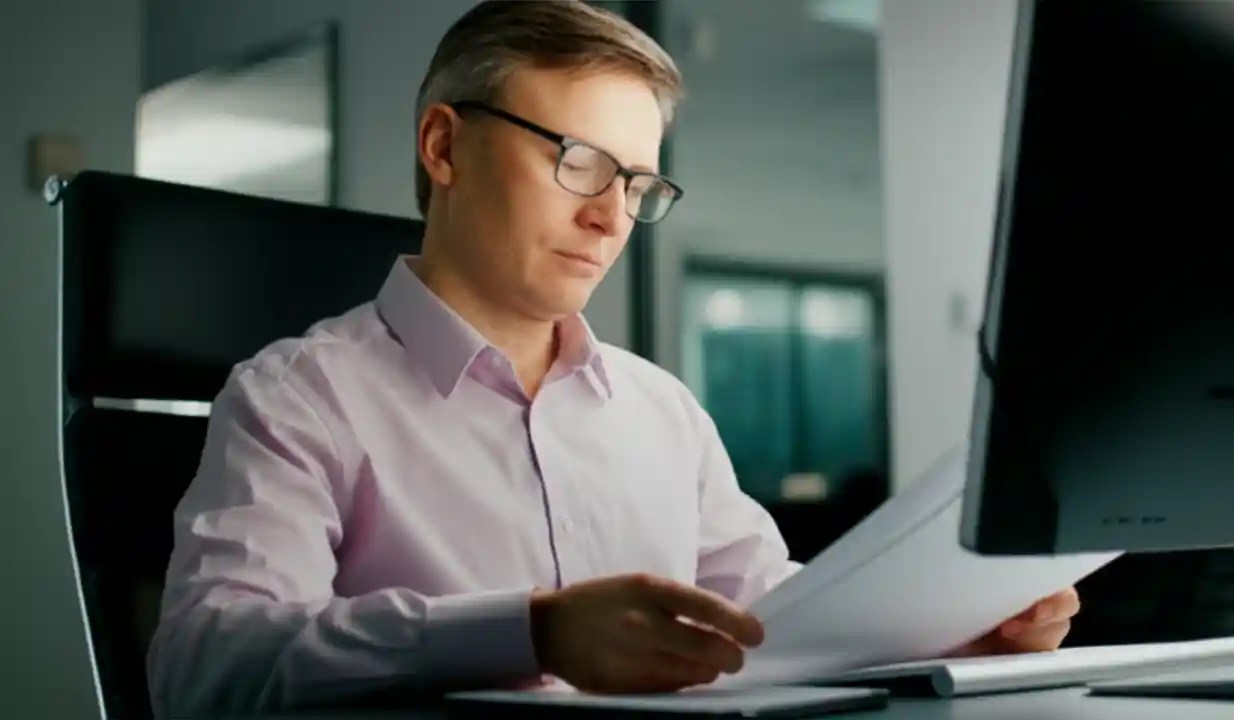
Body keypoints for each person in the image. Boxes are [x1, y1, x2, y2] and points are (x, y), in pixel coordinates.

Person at [146, 1, 1080, 715]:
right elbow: (205, 664)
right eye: (579, 161)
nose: (610, 215)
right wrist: (531, 631)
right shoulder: (298, 397)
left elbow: (778, 623)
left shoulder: (661, 411)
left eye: (636, 182)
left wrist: (960, 628)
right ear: (444, 146)